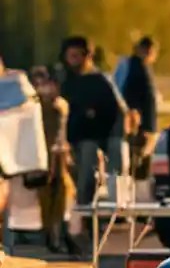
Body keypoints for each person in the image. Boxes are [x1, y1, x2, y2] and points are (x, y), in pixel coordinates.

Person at [60, 36, 129, 207]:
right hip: (79, 137)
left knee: (115, 159)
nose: (73, 61)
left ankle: (118, 205)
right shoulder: (65, 82)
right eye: (70, 56)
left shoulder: (101, 81)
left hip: (105, 134)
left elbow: (119, 111)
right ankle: (83, 207)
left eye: (76, 56)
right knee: (85, 169)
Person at [28, 67, 76, 252]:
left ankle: (57, 231)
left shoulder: (60, 105)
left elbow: (63, 125)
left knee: (62, 191)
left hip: (60, 153)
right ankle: (50, 233)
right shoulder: (36, 106)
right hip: (43, 154)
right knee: (46, 194)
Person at [120, 36, 161, 193]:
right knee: (138, 166)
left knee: (136, 164)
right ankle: (137, 203)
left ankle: (136, 200)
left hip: (139, 125)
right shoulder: (138, 69)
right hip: (139, 126)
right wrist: (147, 128)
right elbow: (141, 100)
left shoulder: (136, 67)